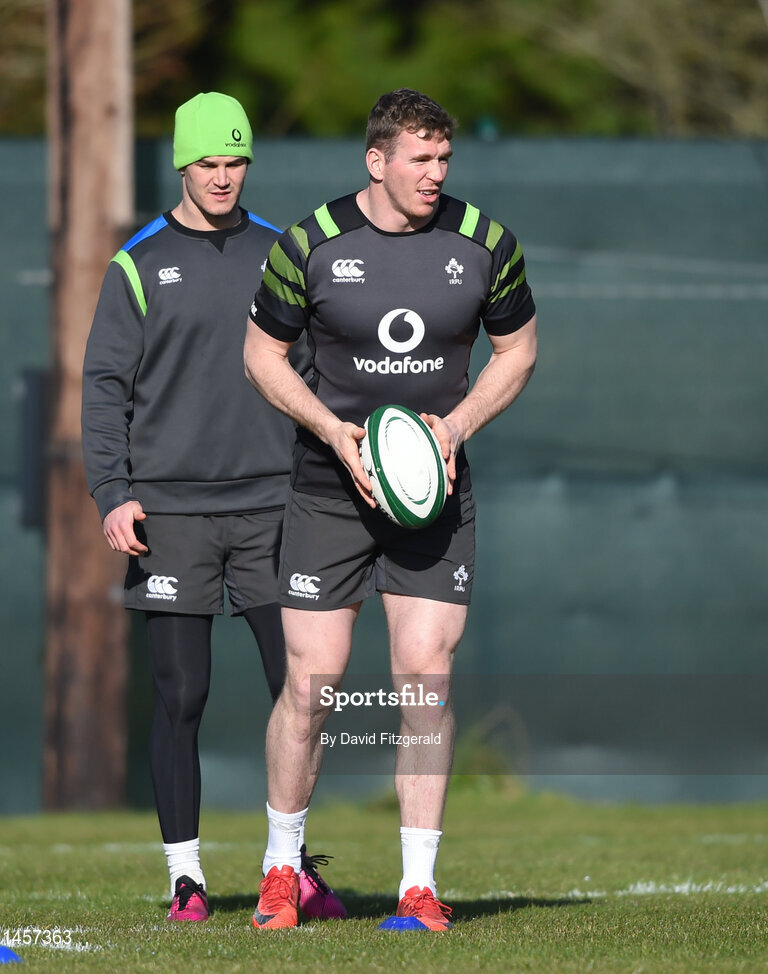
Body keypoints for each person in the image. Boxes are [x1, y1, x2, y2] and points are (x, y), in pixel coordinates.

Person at [244, 88, 537, 930]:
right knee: (312, 684)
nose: (435, 175)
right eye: (420, 159)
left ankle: (416, 885)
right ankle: (280, 871)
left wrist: (457, 426)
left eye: (444, 160)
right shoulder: (310, 243)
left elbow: (519, 350)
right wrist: (336, 433)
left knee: (425, 679)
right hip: (328, 492)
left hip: (433, 497)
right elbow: (260, 356)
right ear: (376, 161)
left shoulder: (484, 242)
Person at [81, 92, 345, 923]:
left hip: (277, 505)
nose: (223, 177)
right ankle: (185, 880)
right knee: (182, 695)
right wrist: (114, 493)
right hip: (172, 516)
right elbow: (104, 389)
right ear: (183, 166)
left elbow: (318, 373)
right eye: (208, 163)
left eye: (236, 162)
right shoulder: (137, 263)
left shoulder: (281, 252)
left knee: (301, 690)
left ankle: (288, 866)